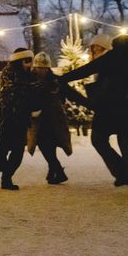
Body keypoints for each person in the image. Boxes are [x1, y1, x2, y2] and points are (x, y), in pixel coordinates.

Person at [59, 33, 128, 198]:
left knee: (100, 140)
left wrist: (62, 79)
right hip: (127, 109)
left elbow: (85, 70)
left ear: (112, 46)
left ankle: (123, 173)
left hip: (107, 110)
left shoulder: (108, 59)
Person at [29, 52, 84, 184]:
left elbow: (72, 94)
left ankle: (56, 170)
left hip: (53, 118)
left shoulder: (55, 81)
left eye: (43, 68)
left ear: (48, 68)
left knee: (48, 143)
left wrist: (89, 103)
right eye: (38, 67)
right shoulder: (31, 81)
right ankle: (55, 170)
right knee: (44, 143)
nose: (40, 70)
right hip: (39, 118)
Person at [0, 48, 41, 190]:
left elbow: (34, 92)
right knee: (5, 147)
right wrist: (32, 87)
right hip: (5, 116)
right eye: (26, 61)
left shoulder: (30, 76)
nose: (29, 64)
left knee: (18, 151)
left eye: (31, 61)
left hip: (21, 116)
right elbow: (14, 90)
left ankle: (6, 178)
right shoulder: (8, 72)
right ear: (19, 61)